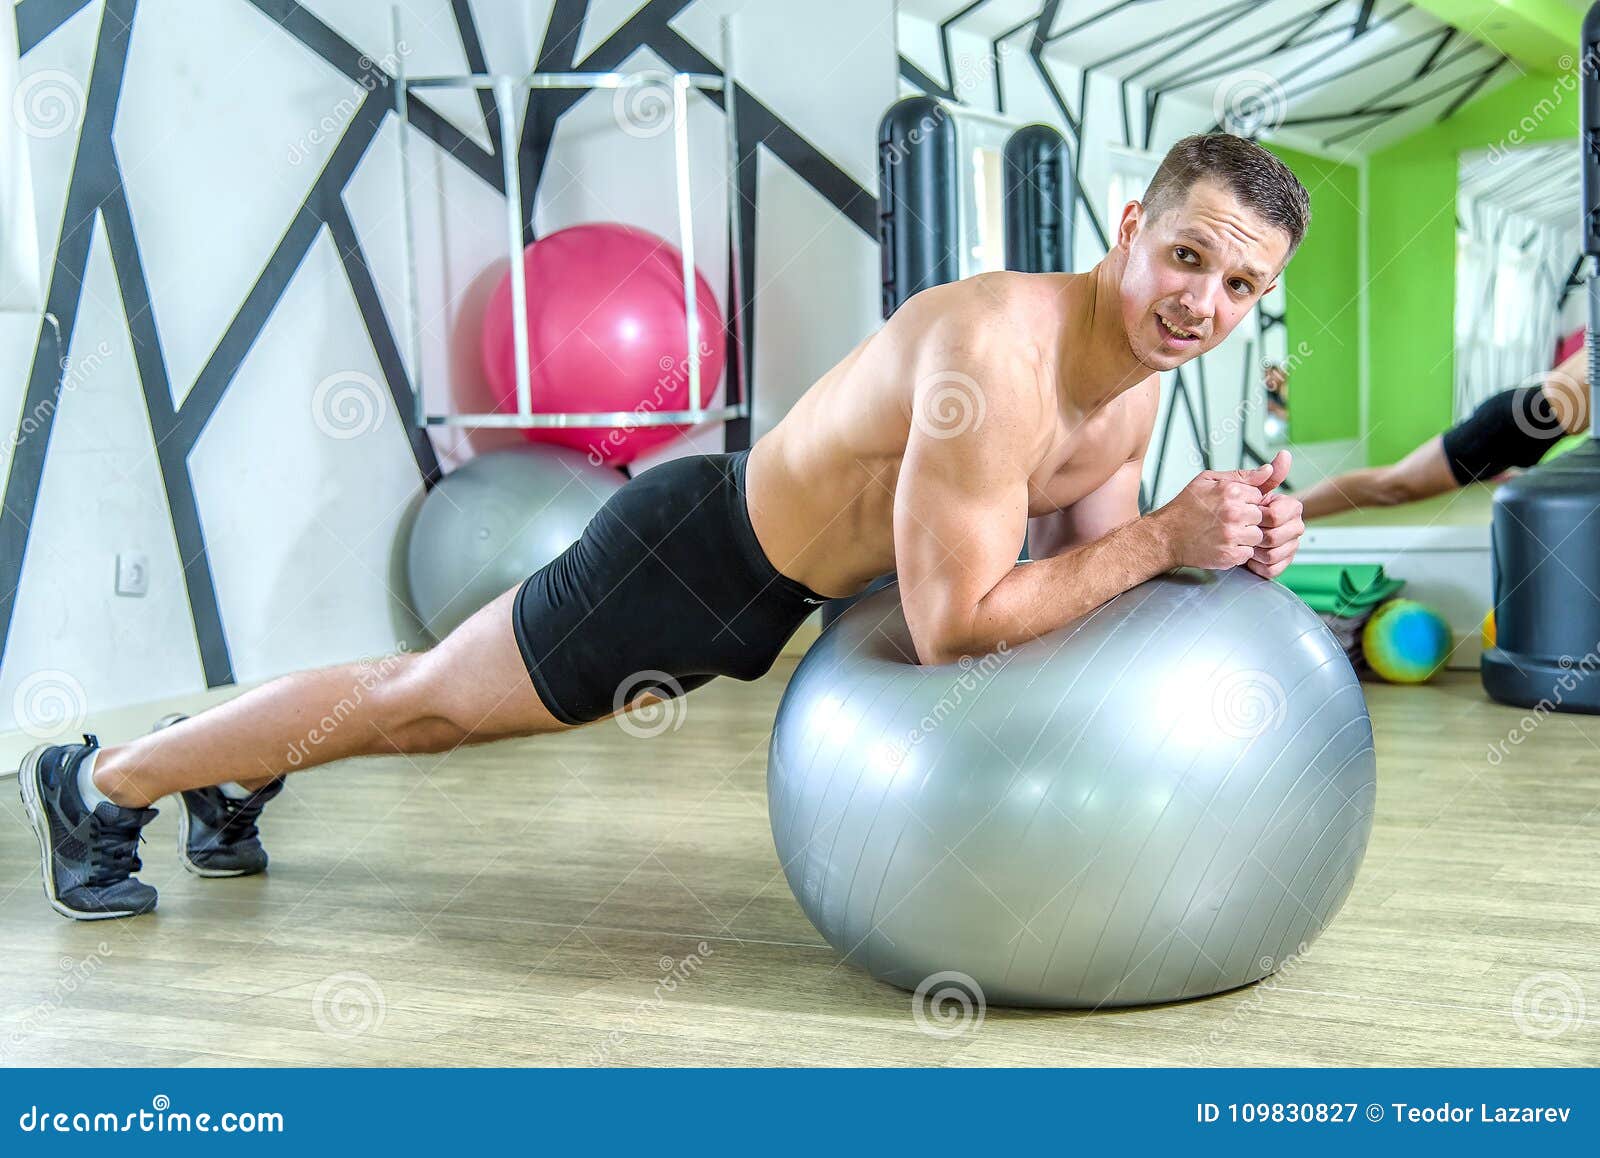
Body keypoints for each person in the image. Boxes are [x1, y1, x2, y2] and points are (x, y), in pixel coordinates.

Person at [18, 133, 1310, 920]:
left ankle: (221, 774)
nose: (1203, 302)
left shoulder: (1131, 397)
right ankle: (101, 781)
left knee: (418, 703)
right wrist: (1156, 541)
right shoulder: (995, 351)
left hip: (764, 596)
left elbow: (1098, 603)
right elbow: (957, 624)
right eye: (1189, 256)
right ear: (1131, 228)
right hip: (688, 561)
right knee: (421, 705)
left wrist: (1226, 542)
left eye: (1241, 285)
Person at [1296, 346, 1589, 520]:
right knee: (1393, 486)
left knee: (1392, 485)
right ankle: (1284, 509)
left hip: (1537, 430)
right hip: (1511, 424)